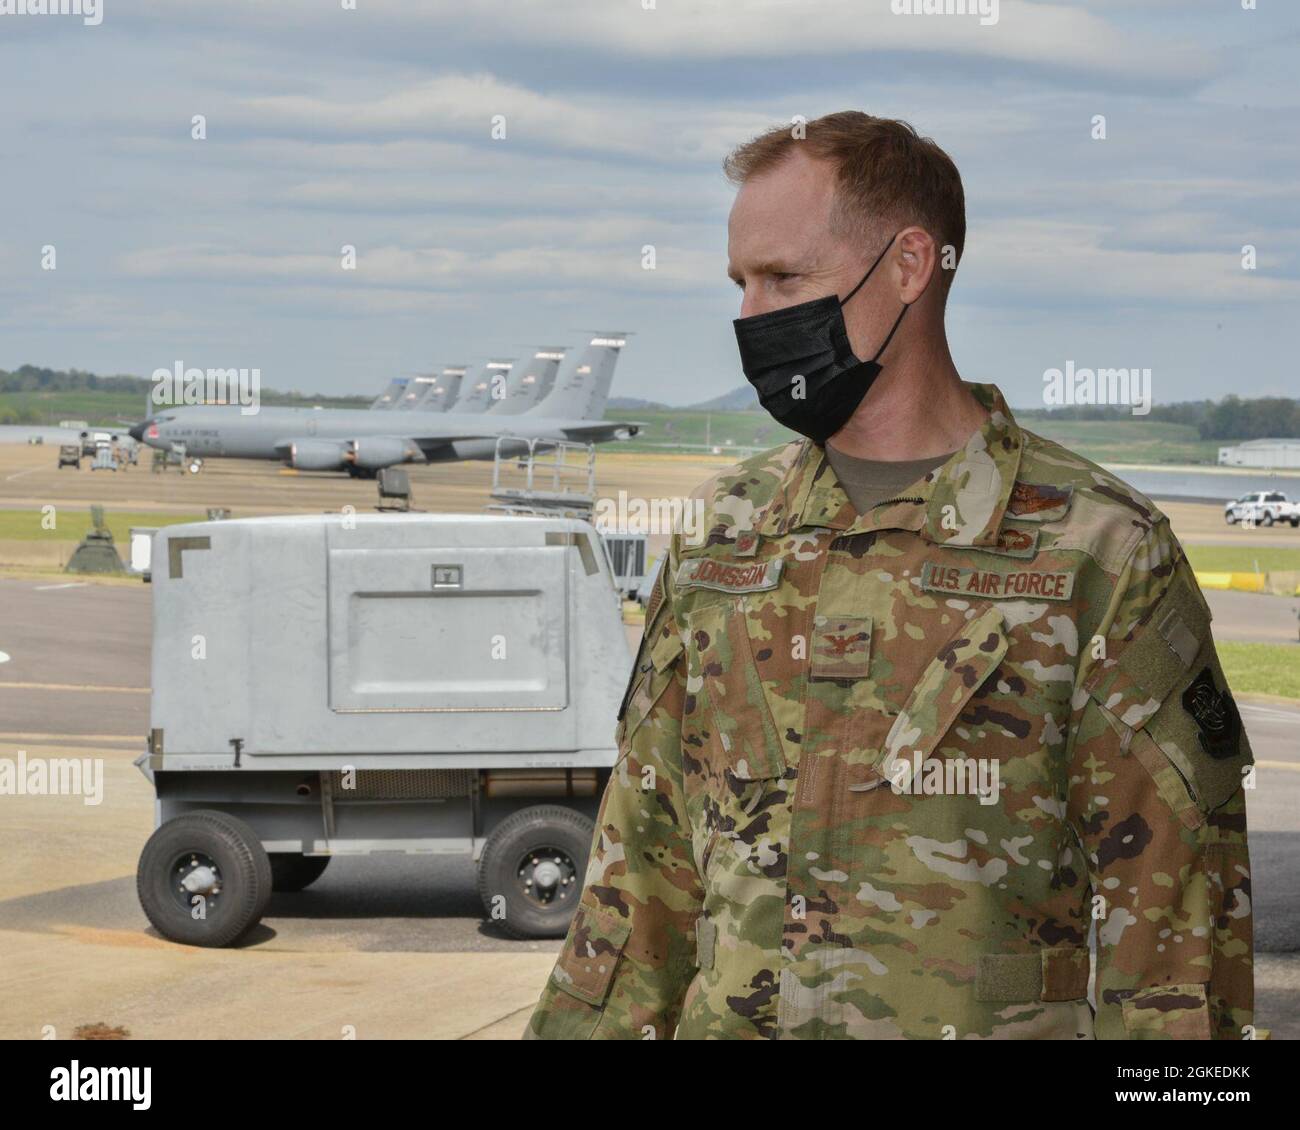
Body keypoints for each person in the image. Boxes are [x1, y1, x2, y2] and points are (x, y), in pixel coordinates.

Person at [526, 112, 1253, 1040]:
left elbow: (1180, 954)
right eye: (740, 283)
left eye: (784, 278)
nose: (751, 317)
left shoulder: (1100, 553)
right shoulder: (725, 535)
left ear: (911, 266)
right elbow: (639, 876)